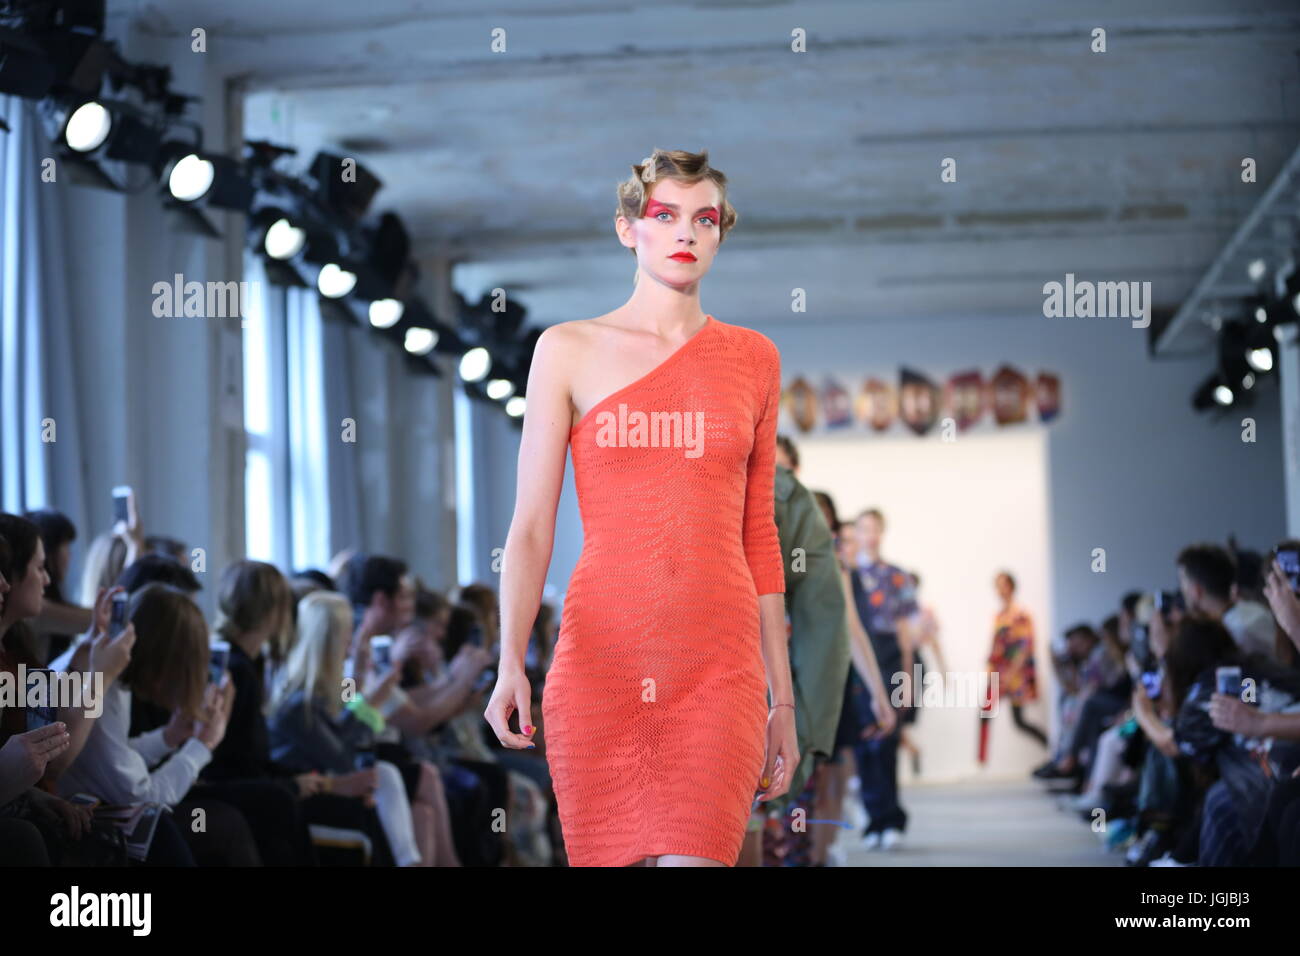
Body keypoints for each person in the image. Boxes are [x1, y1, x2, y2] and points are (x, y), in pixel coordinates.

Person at [485, 147, 797, 868]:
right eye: (666, 216)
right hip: (601, 665)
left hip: (719, 673)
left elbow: (760, 536)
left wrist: (783, 701)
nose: (687, 233)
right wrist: (509, 661)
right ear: (630, 228)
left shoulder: (753, 359)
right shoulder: (566, 349)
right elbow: (531, 528)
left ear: (721, 235)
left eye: (705, 219)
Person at [846, 507, 916, 849]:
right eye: (863, 528)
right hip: (856, 658)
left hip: (888, 657)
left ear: (881, 532)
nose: (868, 534)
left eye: (874, 528)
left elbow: (905, 630)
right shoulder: (847, 572)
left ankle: (891, 817)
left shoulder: (896, 576)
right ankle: (875, 818)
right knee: (864, 741)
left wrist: (907, 675)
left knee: (887, 739)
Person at [979, 570, 1048, 763]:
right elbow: (996, 645)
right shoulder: (1000, 616)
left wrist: (1010, 673)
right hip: (998, 674)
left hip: (1014, 676)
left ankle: (1051, 748)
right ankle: (981, 761)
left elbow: (1026, 647)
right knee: (985, 713)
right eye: (997, 586)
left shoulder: (1021, 615)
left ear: (1011, 587)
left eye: (1002, 585)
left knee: (1019, 721)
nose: (999, 590)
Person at [1177, 543, 1278, 661]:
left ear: (1196, 590)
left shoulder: (1235, 632)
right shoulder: (1256, 613)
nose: (1181, 590)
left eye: (1183, 581)